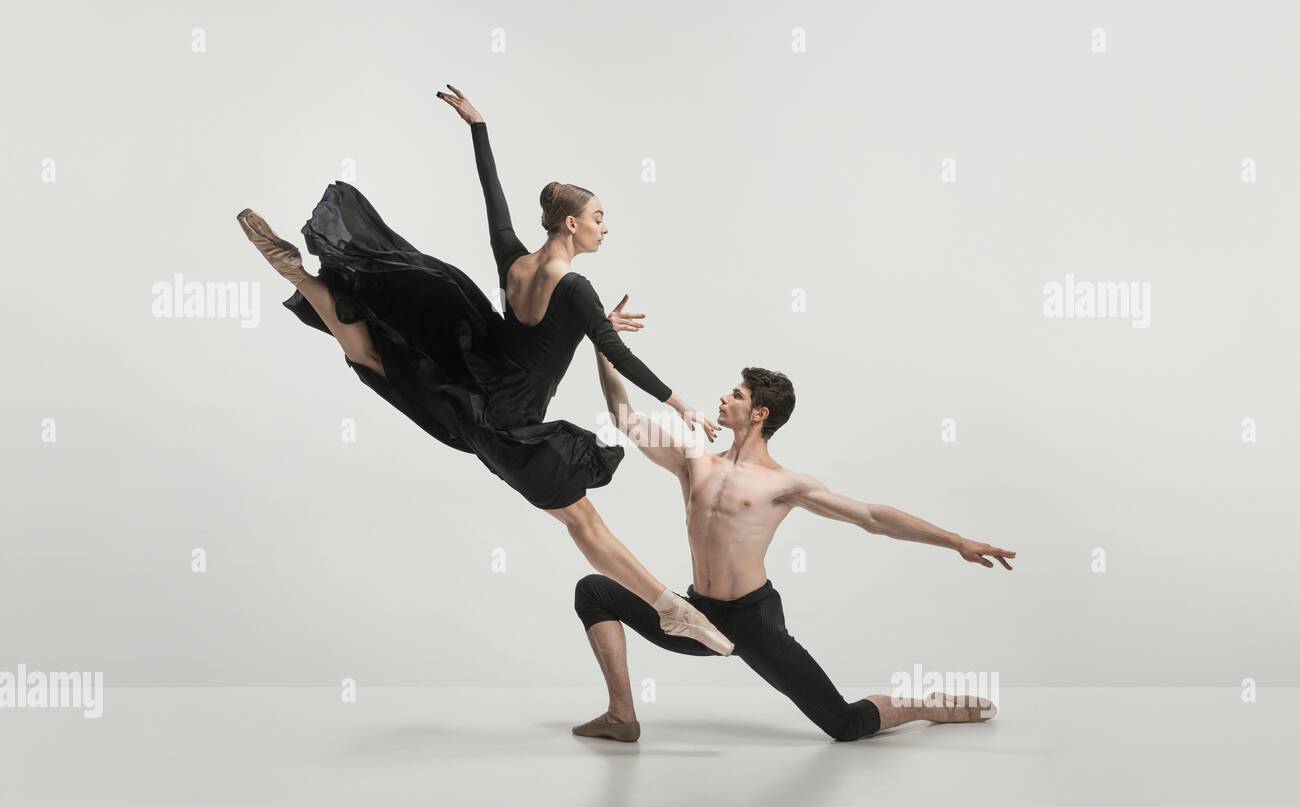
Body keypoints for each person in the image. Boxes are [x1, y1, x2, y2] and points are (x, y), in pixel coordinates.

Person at [236, 84, 732, 654]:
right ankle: (671, 610)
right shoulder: (576, 288)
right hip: (512, 428)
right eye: (598, 217)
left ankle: (302, 277)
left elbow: (491, 200)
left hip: (473, 394)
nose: (604, 226)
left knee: (378, 356)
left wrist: (479, 129)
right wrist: (680, 403)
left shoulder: (514, 260)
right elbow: (614, 356)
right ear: (570, 224)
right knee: (584, 523)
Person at [571, 349, 1015, 741]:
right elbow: (624, 418)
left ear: (760, 413)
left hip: (753, 620)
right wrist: (602, 342)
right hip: (696, 617)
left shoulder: (785, 484)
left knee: (845, 725)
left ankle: (923, 705)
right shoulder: (694, 464)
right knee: (593, 591)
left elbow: (872, 517)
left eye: (737, 395)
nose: (723, 399)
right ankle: (621, 715)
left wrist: (956, 541)